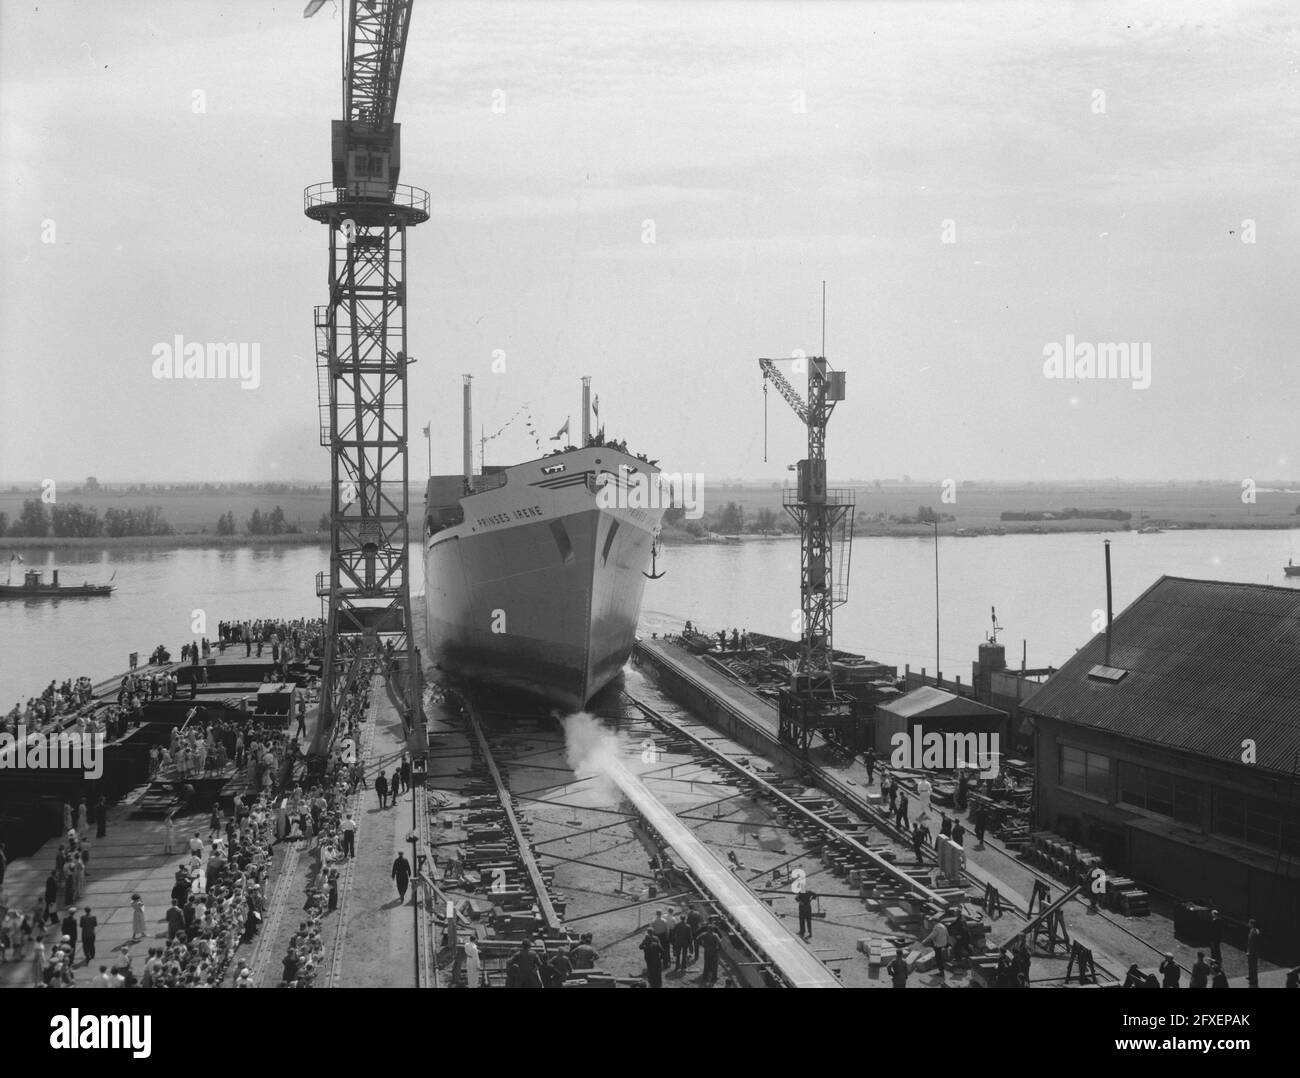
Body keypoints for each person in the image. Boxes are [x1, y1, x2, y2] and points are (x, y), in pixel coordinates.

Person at [1246, 919, 1260, 988]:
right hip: (1253, 952)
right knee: (1251, 966)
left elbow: (1252, 944)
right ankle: (1251, 977)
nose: (1248, 924)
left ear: (1252, 924)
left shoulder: (1253, 932)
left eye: (1249, 923)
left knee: (1253, 966)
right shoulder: (1254, 930)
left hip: (1253, 953)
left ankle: (1253, 980)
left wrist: (1249, 952)